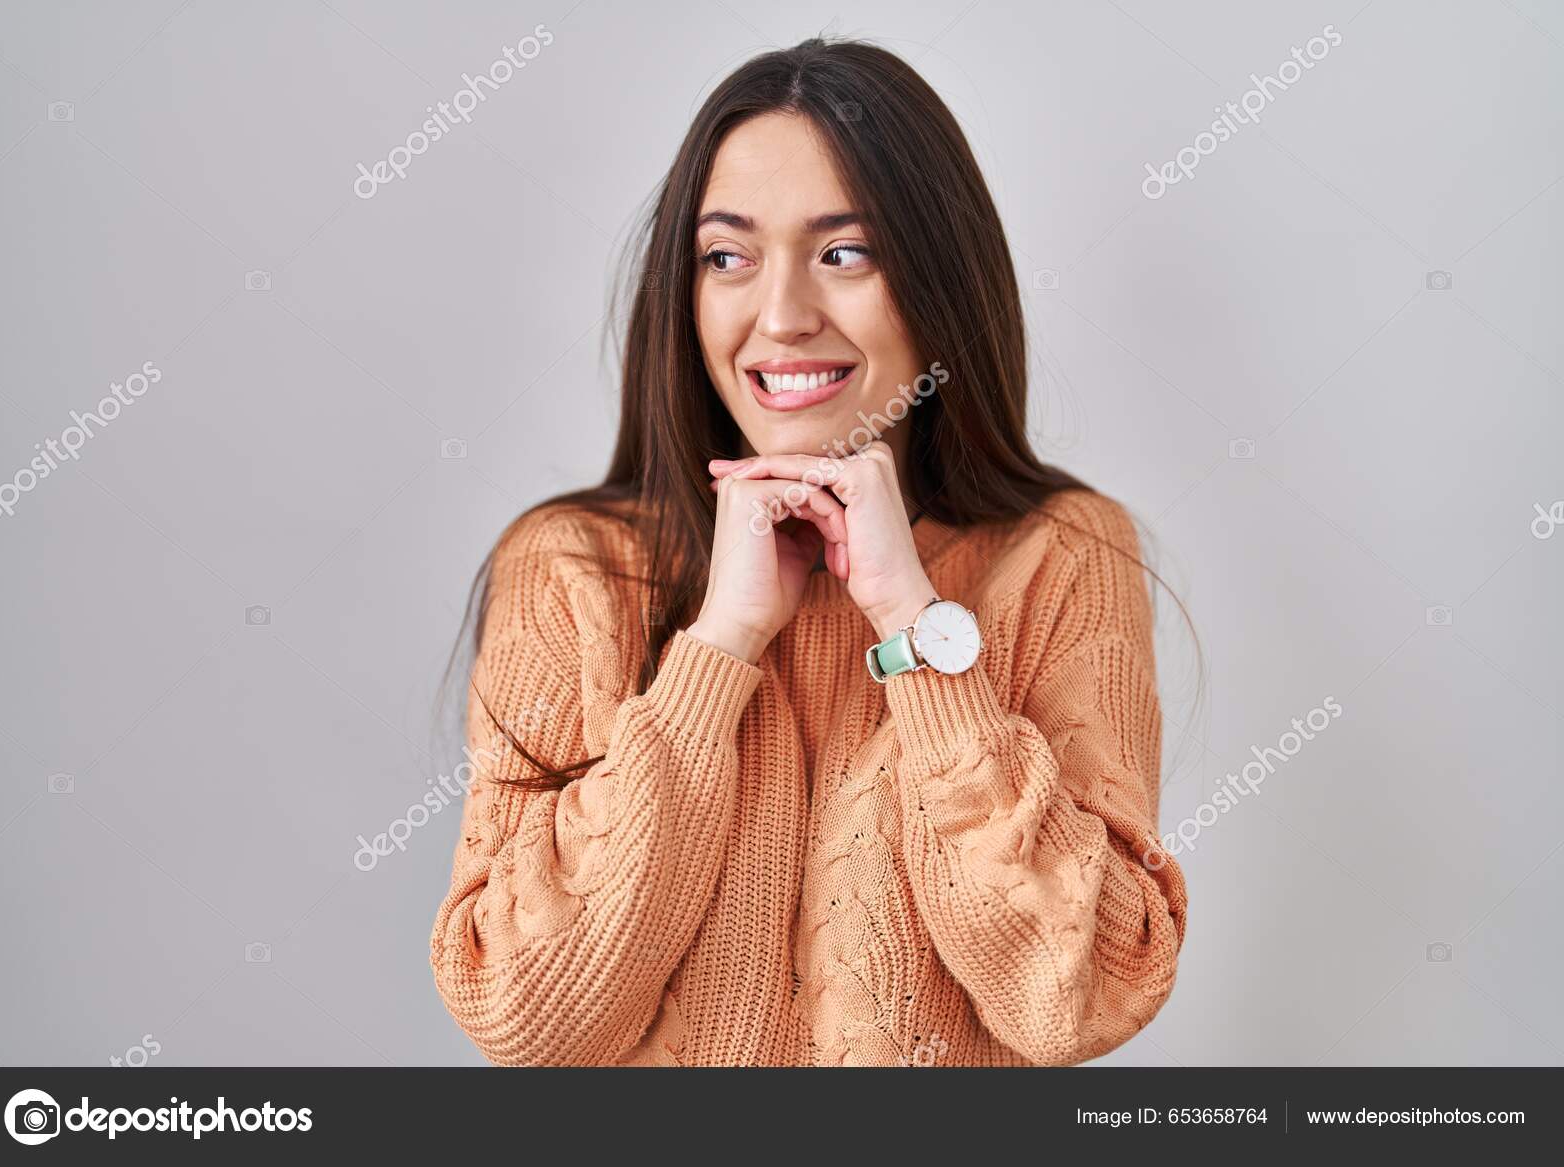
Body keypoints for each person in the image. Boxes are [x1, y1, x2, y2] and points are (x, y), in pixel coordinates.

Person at [429, 36, 1187, 1066]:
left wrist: (916, 632)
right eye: (727, 257)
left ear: (938, 284)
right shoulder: (573, 566)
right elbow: (523, 1010)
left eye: (844, 253)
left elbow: (1085, 994)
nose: (780, 317)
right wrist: (719, 648)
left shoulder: (1059, 555)